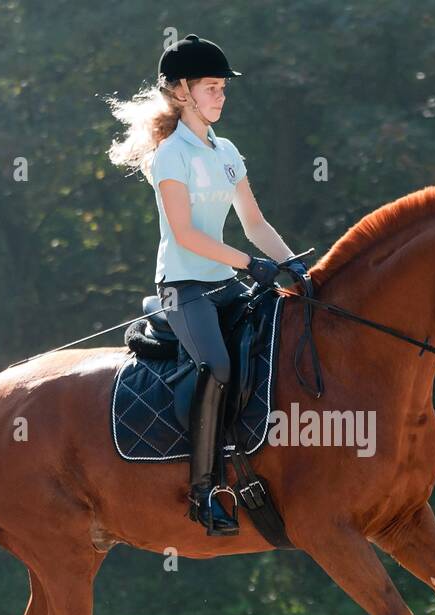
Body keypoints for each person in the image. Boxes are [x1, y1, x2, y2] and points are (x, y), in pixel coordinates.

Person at [107, 34, 306, 535]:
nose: (221, 96)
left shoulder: (227, 150)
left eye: (222, 87)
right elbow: (185, 234)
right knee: (216, 366)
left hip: (226, 282)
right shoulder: (170, 155)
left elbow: (255, 222)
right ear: (180, 92)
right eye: (212, 87)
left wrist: (294, 265)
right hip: (183, 286)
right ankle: (204, 490)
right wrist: (247, 263)